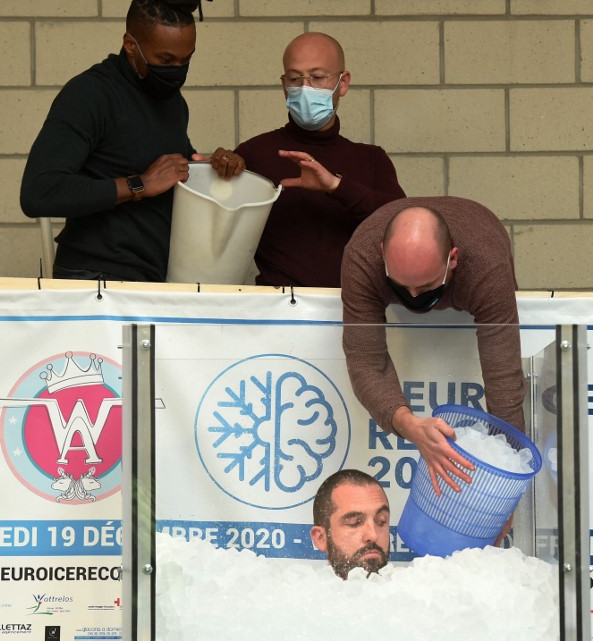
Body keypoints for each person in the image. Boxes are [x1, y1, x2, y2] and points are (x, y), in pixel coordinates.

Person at [20, 0, 213, 282]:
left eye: (186, 59)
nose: (176, 70)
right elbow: (39, 192)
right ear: (130, 45)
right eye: (165, 60)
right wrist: (138, 184)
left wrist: (215, 170)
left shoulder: (173, 102)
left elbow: (174, 173)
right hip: (94, 278)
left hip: (156, 277)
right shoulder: (90, 94)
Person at [341, 197, 527, 495]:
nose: (412, 296)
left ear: (453, 259)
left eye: (426, 286)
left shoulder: (487, 266)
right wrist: (410, 425)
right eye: (400, 285)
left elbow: (504, 382)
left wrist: (507, 486)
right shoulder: (362, 257)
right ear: (381, 255)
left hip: (483, 231)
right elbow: (365, 360)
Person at [206, 32, 405, 288]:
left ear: (342, 83)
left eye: (318, 77)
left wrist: (336, 186)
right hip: (277, 310)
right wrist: (214, 175)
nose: (305, 87)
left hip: (354, 310)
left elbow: (401, 221)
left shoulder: (370, 158)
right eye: (294, 78)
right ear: (283, 86)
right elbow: (216, 236)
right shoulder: (255, 153)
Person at [310, 469, 390, 579]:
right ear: (321, 538)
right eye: (355, 523)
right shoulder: (301, 595)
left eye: (381, 521)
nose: (373, 535)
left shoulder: (411, 591)